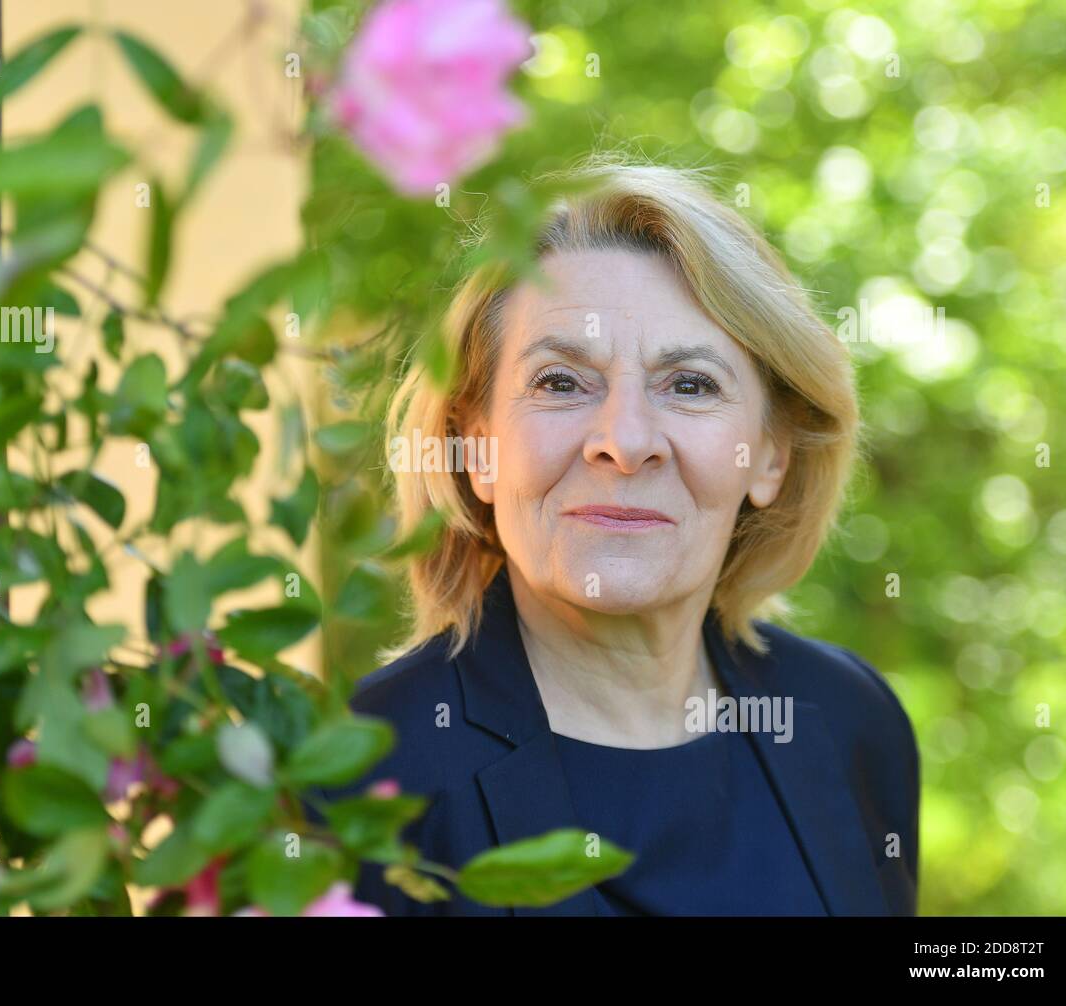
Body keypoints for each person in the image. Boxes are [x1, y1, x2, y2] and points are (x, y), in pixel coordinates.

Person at [310, 158, 919, 916]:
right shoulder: (350, 776)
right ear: (478, 446)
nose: (625, 442)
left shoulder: (849, 719)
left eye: (690, 385)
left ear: (771, 454)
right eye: (561, 382)